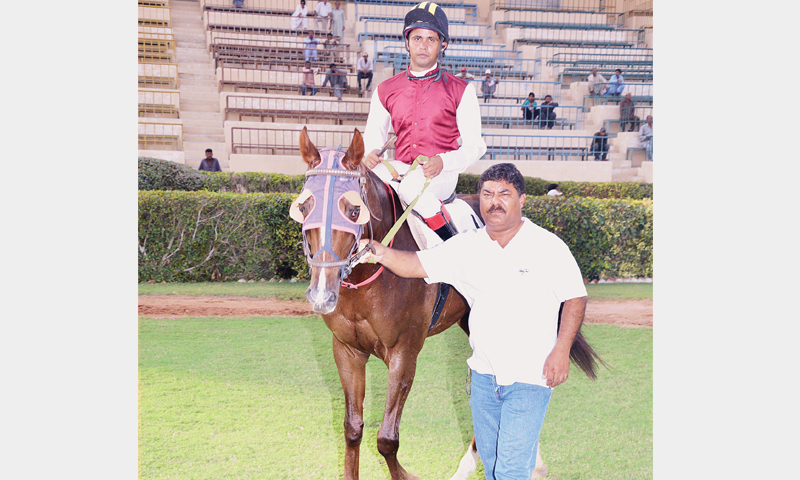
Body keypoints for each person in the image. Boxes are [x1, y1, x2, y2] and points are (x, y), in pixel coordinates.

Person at [360, 163, 588, 480]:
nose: (495, 202)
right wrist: (380, 252)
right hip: (483, 377)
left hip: (529, 377)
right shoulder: (467, 246)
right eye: (488, 194)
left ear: (521, 199)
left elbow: (575, 297)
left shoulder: (547, 246)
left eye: (504, 194)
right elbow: (415, 264)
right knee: (493, 467)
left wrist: (561, 350)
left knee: (510, 471)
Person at [362, 2, 487, 241]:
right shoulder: (385, 89)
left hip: (441, 173)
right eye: (417, 38)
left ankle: (453, 245)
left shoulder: (462, 90)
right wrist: (371, 153)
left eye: (431, 39)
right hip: (401, 167)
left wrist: (443, 161)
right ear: (407, 42)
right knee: (360, 179)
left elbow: (476, 146)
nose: (423, 45)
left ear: (443, 44)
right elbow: (373, 138)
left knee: (411, 187)